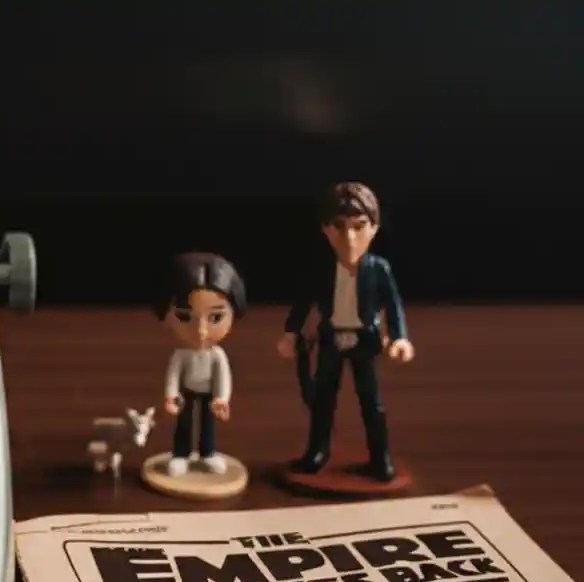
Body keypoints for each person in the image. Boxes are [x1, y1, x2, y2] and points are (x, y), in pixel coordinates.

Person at [276, 182, 415, 481]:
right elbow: (303, 303)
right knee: (323, 399)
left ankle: (380, 457)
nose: (349, 238)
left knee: (372, 403)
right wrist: (290, 333)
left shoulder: (379, 269)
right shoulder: (320, 269)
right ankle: (317, 451)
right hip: (331, 339)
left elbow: (393, 305)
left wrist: (400, 336)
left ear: (374, 228)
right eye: (339, 227)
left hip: (365, 340)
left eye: (359, 226)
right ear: (326, 230)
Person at [155, 252, 246, 477]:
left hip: (209, 396)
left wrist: (222, 398)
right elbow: (173, 375)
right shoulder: (181, 354)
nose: (201, 331)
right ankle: (180, 454)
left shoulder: (217, 355)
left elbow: (223, 376)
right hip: (186, 393)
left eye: (215, 318)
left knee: (208, 425)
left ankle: (208, 453)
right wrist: (171, 395)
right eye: (185, 317)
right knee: (184, 425)